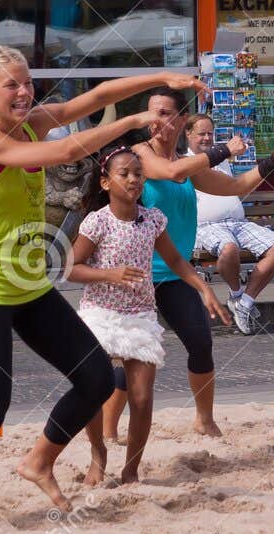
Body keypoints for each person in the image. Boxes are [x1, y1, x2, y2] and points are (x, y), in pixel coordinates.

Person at [0, 50, 199, 527]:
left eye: (28, 83)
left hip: (31, 287)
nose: (25, 92)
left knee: (94, 378)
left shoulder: (34, 122)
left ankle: (38, 462)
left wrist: (164, 79)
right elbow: (69, 152)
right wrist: (134, 120)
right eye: (12, 85)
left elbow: (97, 95)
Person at [130, 88, 274, 435]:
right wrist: (222, 150)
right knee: (133, 356)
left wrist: (271, 161)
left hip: (176, 273)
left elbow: (235, 186)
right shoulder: (140, 154)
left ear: (181, 120)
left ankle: (204, 420)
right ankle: (110, 431)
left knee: (201, 342)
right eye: (153, 113)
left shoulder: (190, 165)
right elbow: (170, 172)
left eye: (166, 113)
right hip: (137, 274)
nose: (157, 121)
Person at [70, 147, 218, 485]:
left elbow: (178, 261)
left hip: (139, 314)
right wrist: (108, 275)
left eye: (138, 173)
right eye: (124, 174)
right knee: (93, 389)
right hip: (100, 314)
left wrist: (203, 288)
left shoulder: (152, 219)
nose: (134, 179)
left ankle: (131, 469)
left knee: (142, 397)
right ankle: (98, 454)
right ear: (106, 182)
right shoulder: (98, 221)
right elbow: (71, 268)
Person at [184, 113, 274, 335]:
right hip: (206, 226)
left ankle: (244, 303)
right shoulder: (184, 161)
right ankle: (236, 293)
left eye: (210, 133)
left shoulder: (220, 160)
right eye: (201, 133)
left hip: (238, 222)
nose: (206, 138)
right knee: (229, 248)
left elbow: (242, 183)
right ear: (188, 134)